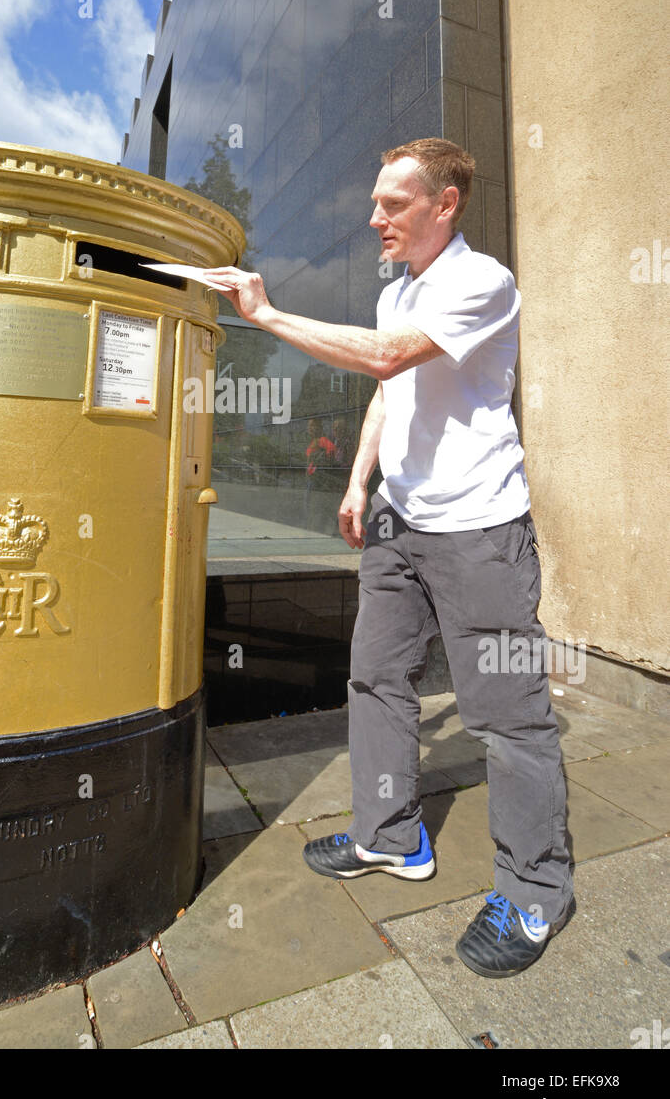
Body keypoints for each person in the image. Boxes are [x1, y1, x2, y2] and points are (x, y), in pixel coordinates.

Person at [204, 137, 574, 978]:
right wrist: (357, 480)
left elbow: (385, 357)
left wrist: (264, 314)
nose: (373, 218)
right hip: (398, 523)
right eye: (374, 203)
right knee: (374, 679)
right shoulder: (400, 290)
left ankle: (534, 891)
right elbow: (388, 389)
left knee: (507, 718)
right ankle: (389, 837)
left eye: (392, 204)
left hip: (479, 530)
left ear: (444, 205)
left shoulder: (484, 282)